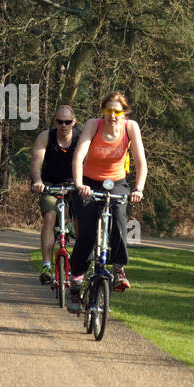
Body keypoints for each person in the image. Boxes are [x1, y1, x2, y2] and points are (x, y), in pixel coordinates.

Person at [69, 92, 146, 294]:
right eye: (108, 110)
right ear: (102, 111)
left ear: (124, 112)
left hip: (116, 182)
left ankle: (119, 268)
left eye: (117, 111)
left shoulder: (131, 128)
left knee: (120, 220)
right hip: (88, 183)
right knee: (86, 232)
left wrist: (138, 188)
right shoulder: (93, 125)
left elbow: (140, 163)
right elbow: (78, 157)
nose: (112, 115)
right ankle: (76, 274)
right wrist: (79, 185)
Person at [30, 105, 81, 283]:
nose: (64, 126)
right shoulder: (46, 137)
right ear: (55, 122)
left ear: (74, 122)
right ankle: (47, 265)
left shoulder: (81, 138)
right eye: (60, 122)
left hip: (76, 185)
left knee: (81, 220)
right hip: (50, 185)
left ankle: (80, 265)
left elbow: (88, 161)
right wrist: (38, 181)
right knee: (50, 217)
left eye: (68, 122)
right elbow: (36, 163)